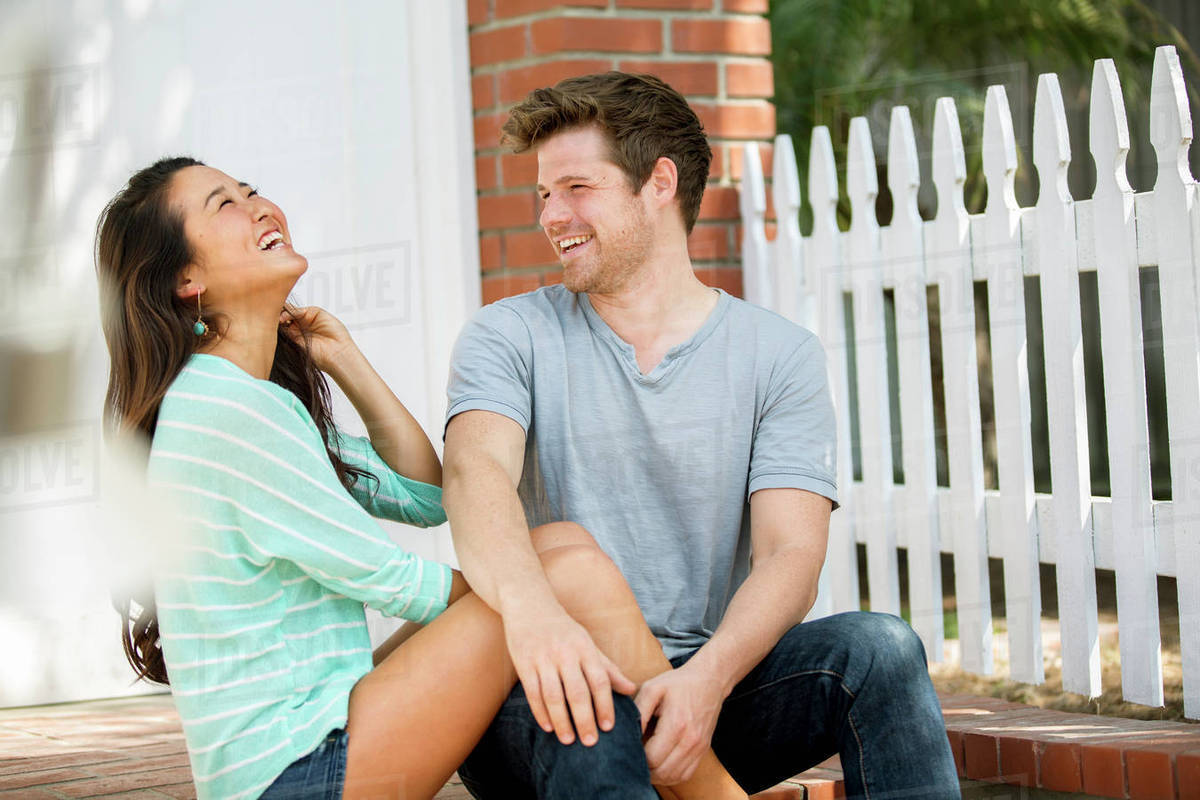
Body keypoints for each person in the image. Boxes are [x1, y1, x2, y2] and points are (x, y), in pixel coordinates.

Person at [96, 157, 750, 800]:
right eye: (224, 203)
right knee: (563, 574)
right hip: (295, 775)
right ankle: (716, 791)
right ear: (185, 278)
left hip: (315, 736)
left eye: (251, 190)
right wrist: (534, 605)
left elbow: (426, 498)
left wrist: (344, 358)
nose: (259, 206)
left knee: (558, 549)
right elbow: (381, 575)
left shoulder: (248, 398)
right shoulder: (226, 409)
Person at [442, 72, 962, 799]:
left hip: (702, 693)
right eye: (542, 195)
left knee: (880, 651)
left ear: (659, 182)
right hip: (545, 680)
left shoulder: (777, 354)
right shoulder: (509, 335)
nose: (551, 216)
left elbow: (791, 553)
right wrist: (533, 620)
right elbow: (475, 478)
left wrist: (706, 683)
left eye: (575, 189)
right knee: (598, 714)